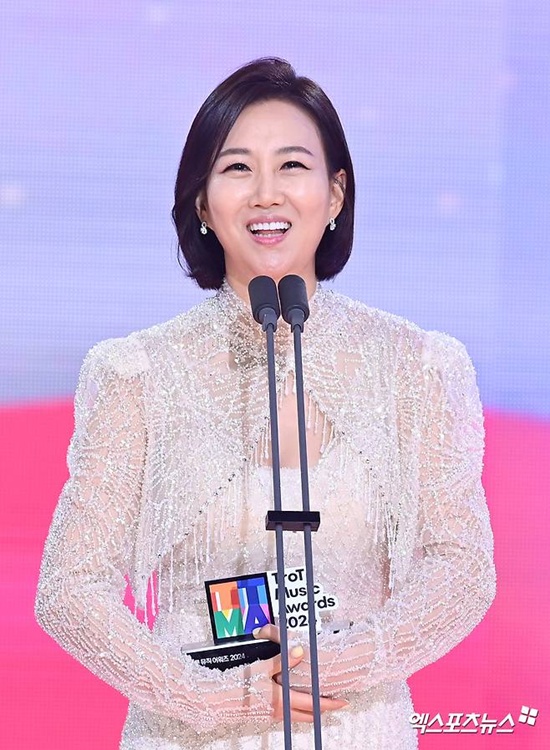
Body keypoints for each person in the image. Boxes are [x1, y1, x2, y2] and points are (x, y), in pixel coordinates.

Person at [35, 58, 496, 749]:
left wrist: (346, 662)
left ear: (335, 193)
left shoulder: (414, 366)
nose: (266, 193)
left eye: (292, 166)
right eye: (237, 168)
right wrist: (208, 697)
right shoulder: (137, 374)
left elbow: (461, 565)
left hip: (353, 724)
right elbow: (68, 588)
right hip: (189, 734)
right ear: (201, 203)